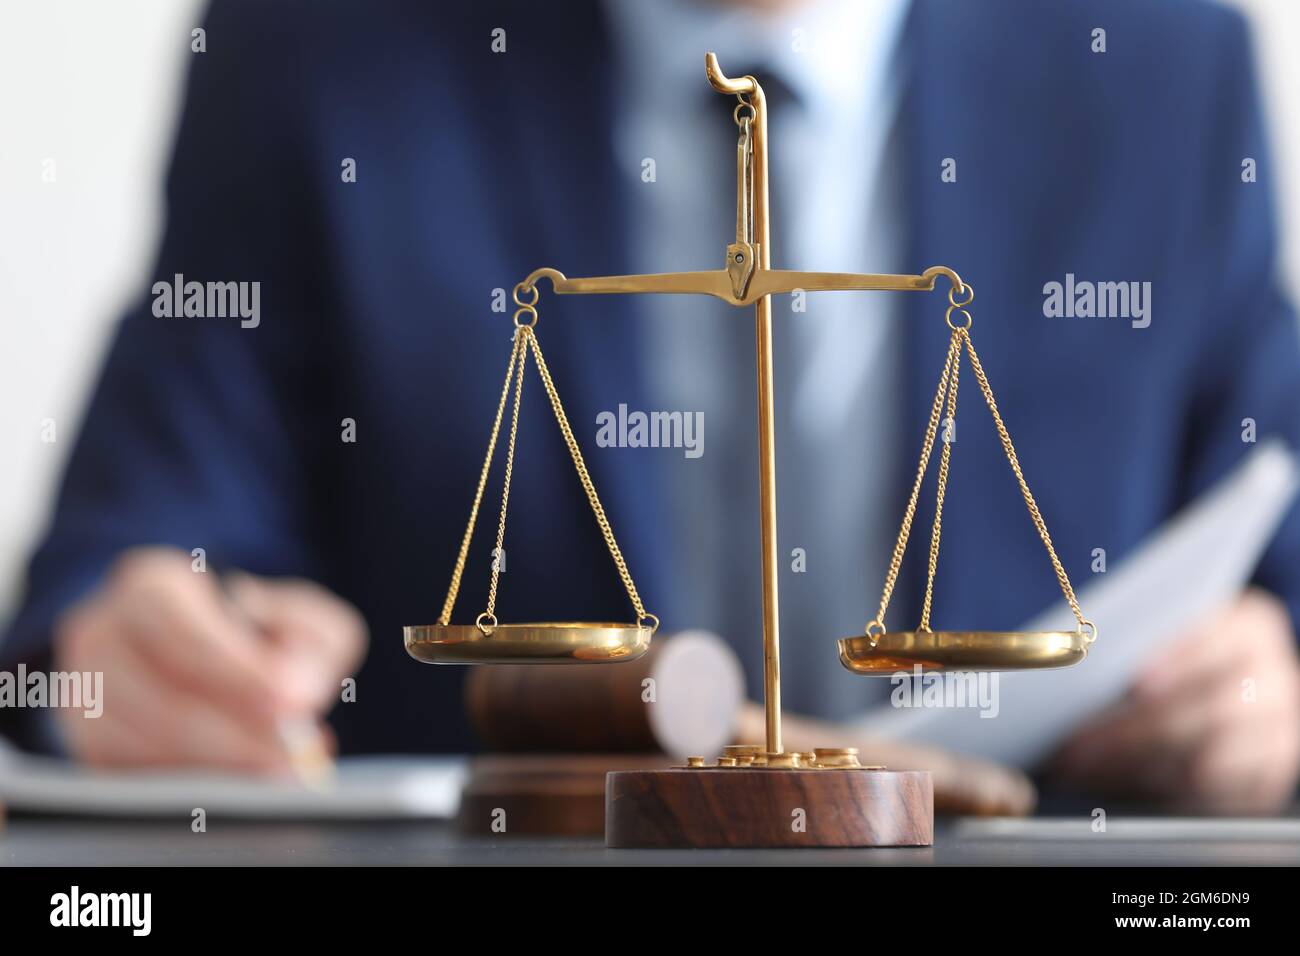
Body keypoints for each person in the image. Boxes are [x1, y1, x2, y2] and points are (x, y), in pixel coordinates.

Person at [3, 0, 1299, 813]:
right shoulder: (313, 52)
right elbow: (90, 593)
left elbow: (1273, 516)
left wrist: (1270, 697)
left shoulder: (1162, 67)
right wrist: (123, 666)